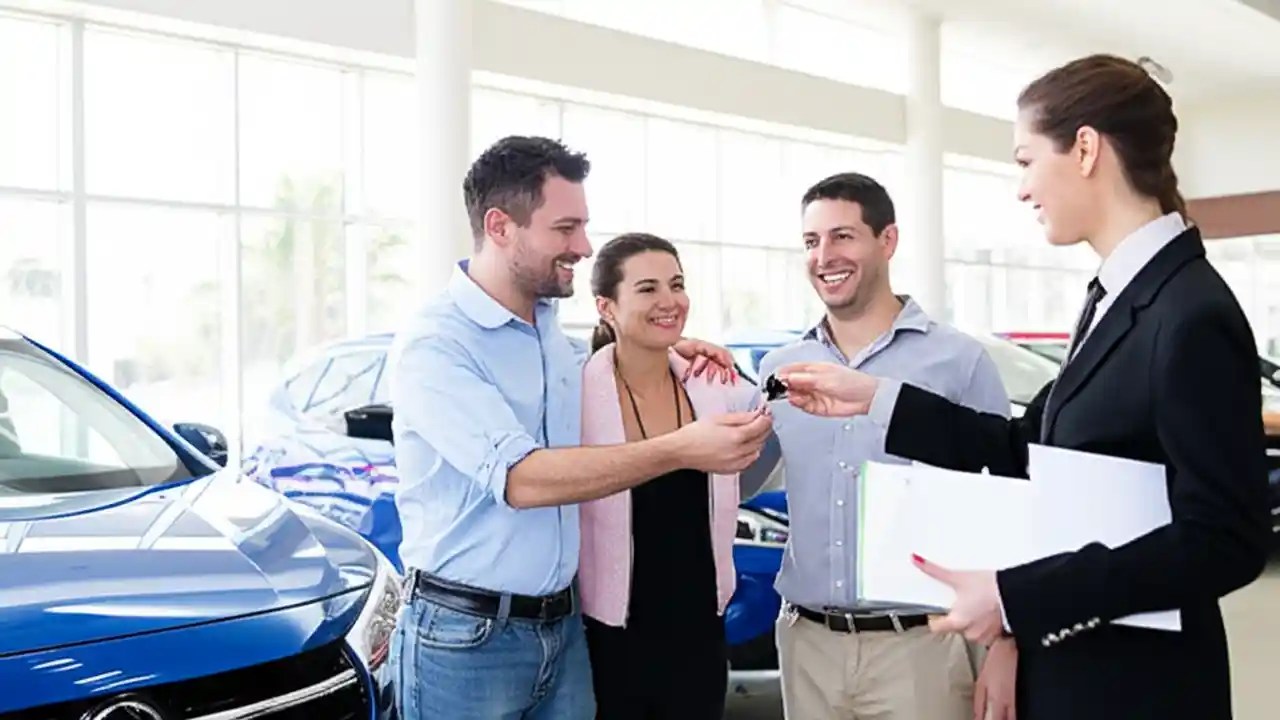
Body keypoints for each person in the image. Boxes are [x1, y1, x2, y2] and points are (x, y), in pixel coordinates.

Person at [773, 54, 1271, 720]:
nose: (1022, 188)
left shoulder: (1189, 312)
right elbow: (1026, 447)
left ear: (1086, 149)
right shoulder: (1119, 299)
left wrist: (1017, 596)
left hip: (1135, 687)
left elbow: (1222, 540)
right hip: (1086, 673)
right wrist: (874, 397)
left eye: (1025, 160)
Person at [387, 135, 774, 720]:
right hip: (466, 637)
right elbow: (522, 479)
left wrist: (666, 347)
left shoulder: (549, 336)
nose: (583, 245)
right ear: (500, 226)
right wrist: (681, 448)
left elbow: (612, 366)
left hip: (562, 632)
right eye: (565, 229)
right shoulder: (437, 343)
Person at [755, 171, 1017, 720]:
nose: (824, 255)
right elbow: (737, 480)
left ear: (887, 240)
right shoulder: (781, 370)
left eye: (842, 236)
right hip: (808, 647)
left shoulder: (958, 362)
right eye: (811, 241)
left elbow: (1005, 511)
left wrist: (1007, 643)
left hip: (922, 649)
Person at [576, 233, 780, 719]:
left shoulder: (711, 381)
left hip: (699, 634)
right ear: (606, 305)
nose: (669, 301)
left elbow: (768, 434)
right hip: (607, 636)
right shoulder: (578, 389)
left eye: (677, 284)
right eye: (647, 289)